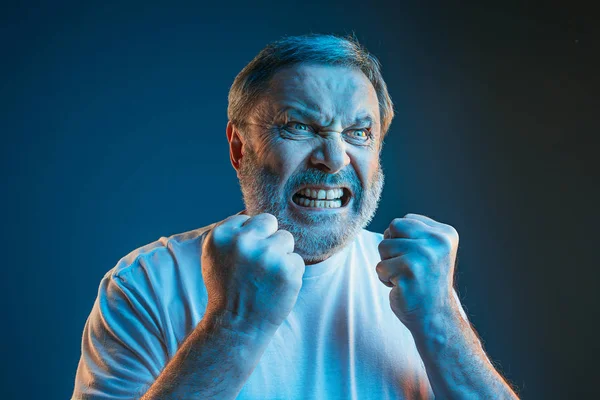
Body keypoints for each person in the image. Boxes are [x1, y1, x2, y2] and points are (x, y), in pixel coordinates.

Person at [72, 34, 519, 399]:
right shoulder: (146, 285)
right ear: (239, 148)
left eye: (358, 133)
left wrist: (441, 318)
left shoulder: (420, 285)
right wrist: (231, 328)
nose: (334, 158)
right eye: (300, 127)